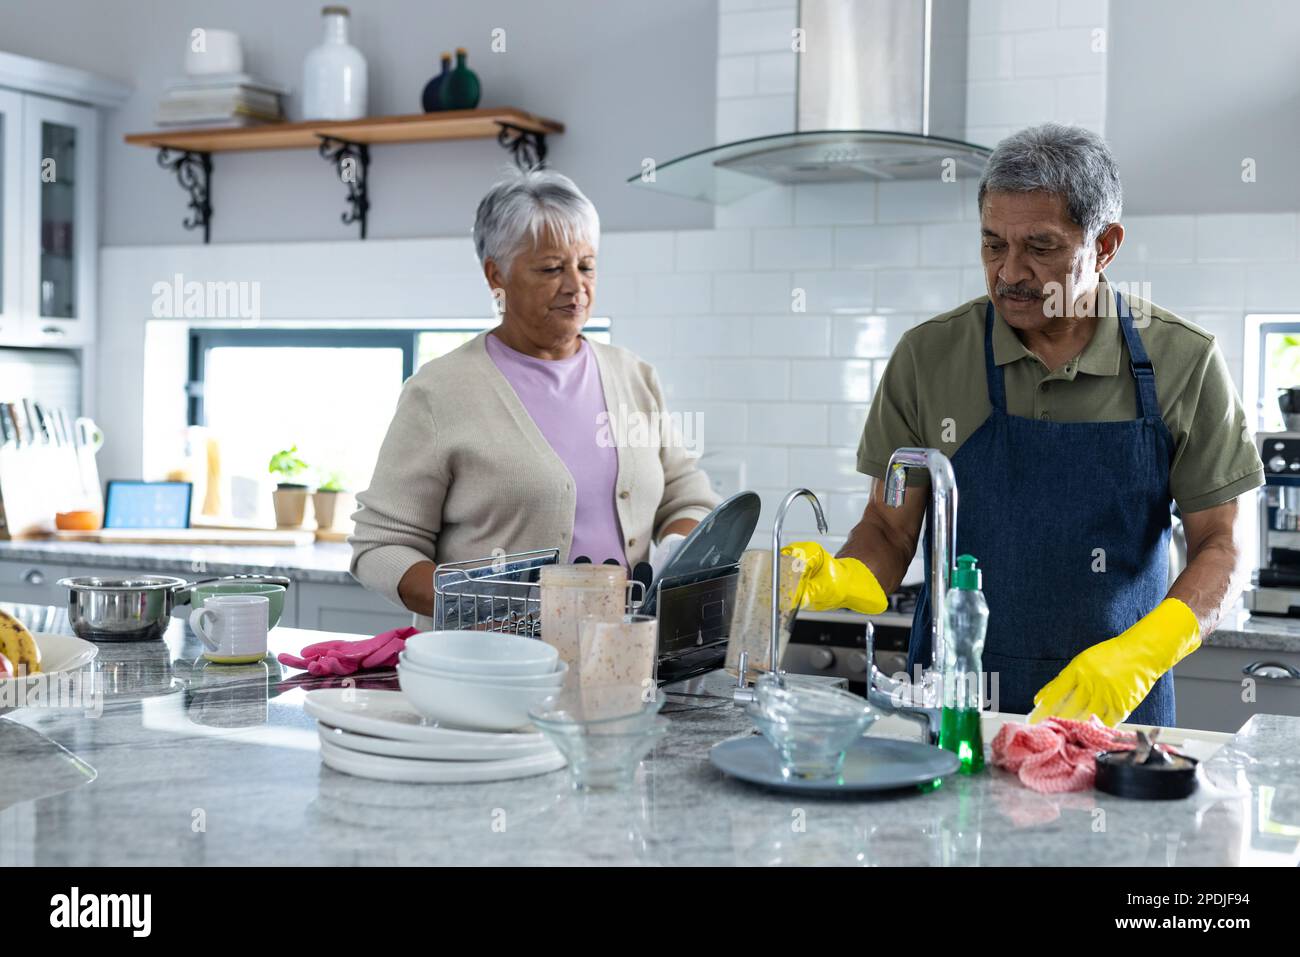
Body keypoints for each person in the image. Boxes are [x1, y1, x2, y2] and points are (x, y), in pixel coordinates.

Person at [787, 123, 1263, 727]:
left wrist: (1145, 653)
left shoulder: (1184, 362)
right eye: (992, 244)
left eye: (1041, 247)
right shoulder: (927, 358)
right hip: (954, 709)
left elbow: (1222, 545)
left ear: (1106, 244)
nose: (1011, 271)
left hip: (1115, 715)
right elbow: (888, 526)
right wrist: (847, 575)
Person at [350, 168, 718, 628]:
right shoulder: (439, 391)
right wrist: (483, 603)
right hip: (488, 673)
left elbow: (688, 500)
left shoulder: (634, 377)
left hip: (623, 666)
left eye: (586, 265)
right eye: (550, 269)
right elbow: (380, 547)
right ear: (495, 275)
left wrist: (674, 558)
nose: (575, 286)